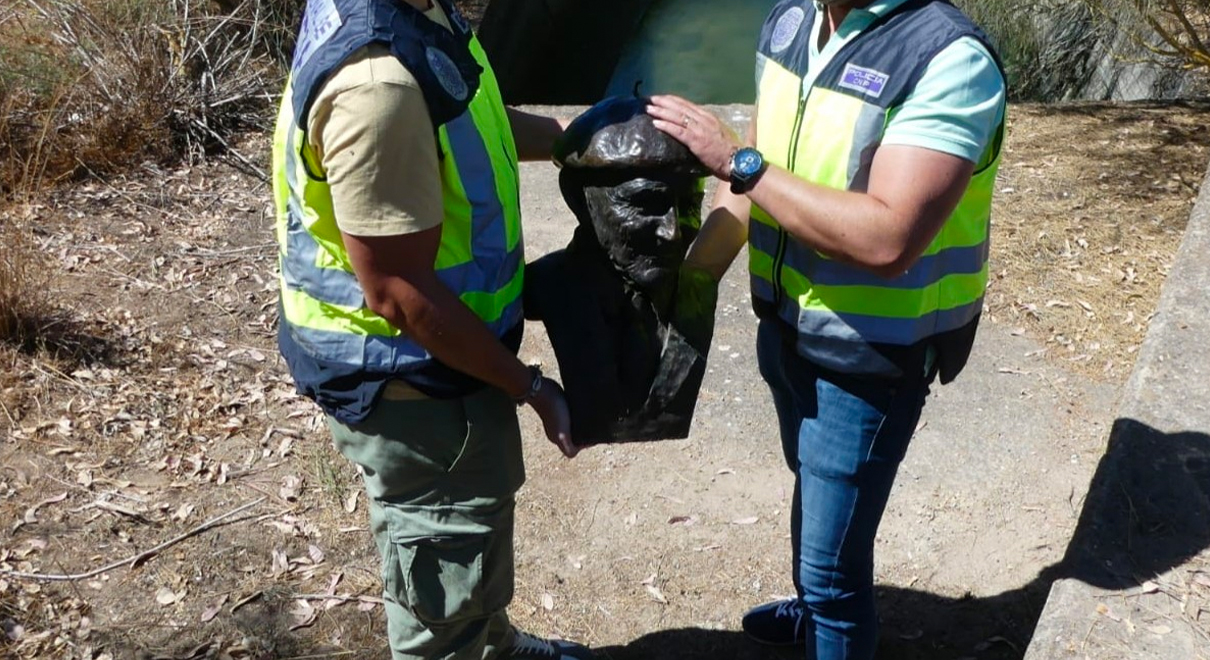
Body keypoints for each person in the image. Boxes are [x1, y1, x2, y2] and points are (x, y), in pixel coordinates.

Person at [647, 0, 1007, 657]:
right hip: (786, 327)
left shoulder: (949, 61)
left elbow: (886, 236)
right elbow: (753, 175)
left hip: (869, 358)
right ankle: (818, 611)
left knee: (834, 574)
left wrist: (736, 162)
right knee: (817, 500)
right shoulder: (791, 21)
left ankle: (828, 613)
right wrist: (689, 284)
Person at [271, 1, 592, 658]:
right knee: (445, 573)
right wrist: (529, 387)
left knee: (470, 540)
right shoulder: (376, 84)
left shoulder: (416, 15)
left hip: (443, 359)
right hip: (413, 379)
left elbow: (469, 116)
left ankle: (493, 643)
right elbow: (397, 291)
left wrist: (573, 136)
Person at [525, 95, 718, 444]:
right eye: (646, 205)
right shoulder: (547, 286)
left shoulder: (697, 293)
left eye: (689, 205)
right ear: (579, 200)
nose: (673, 231)